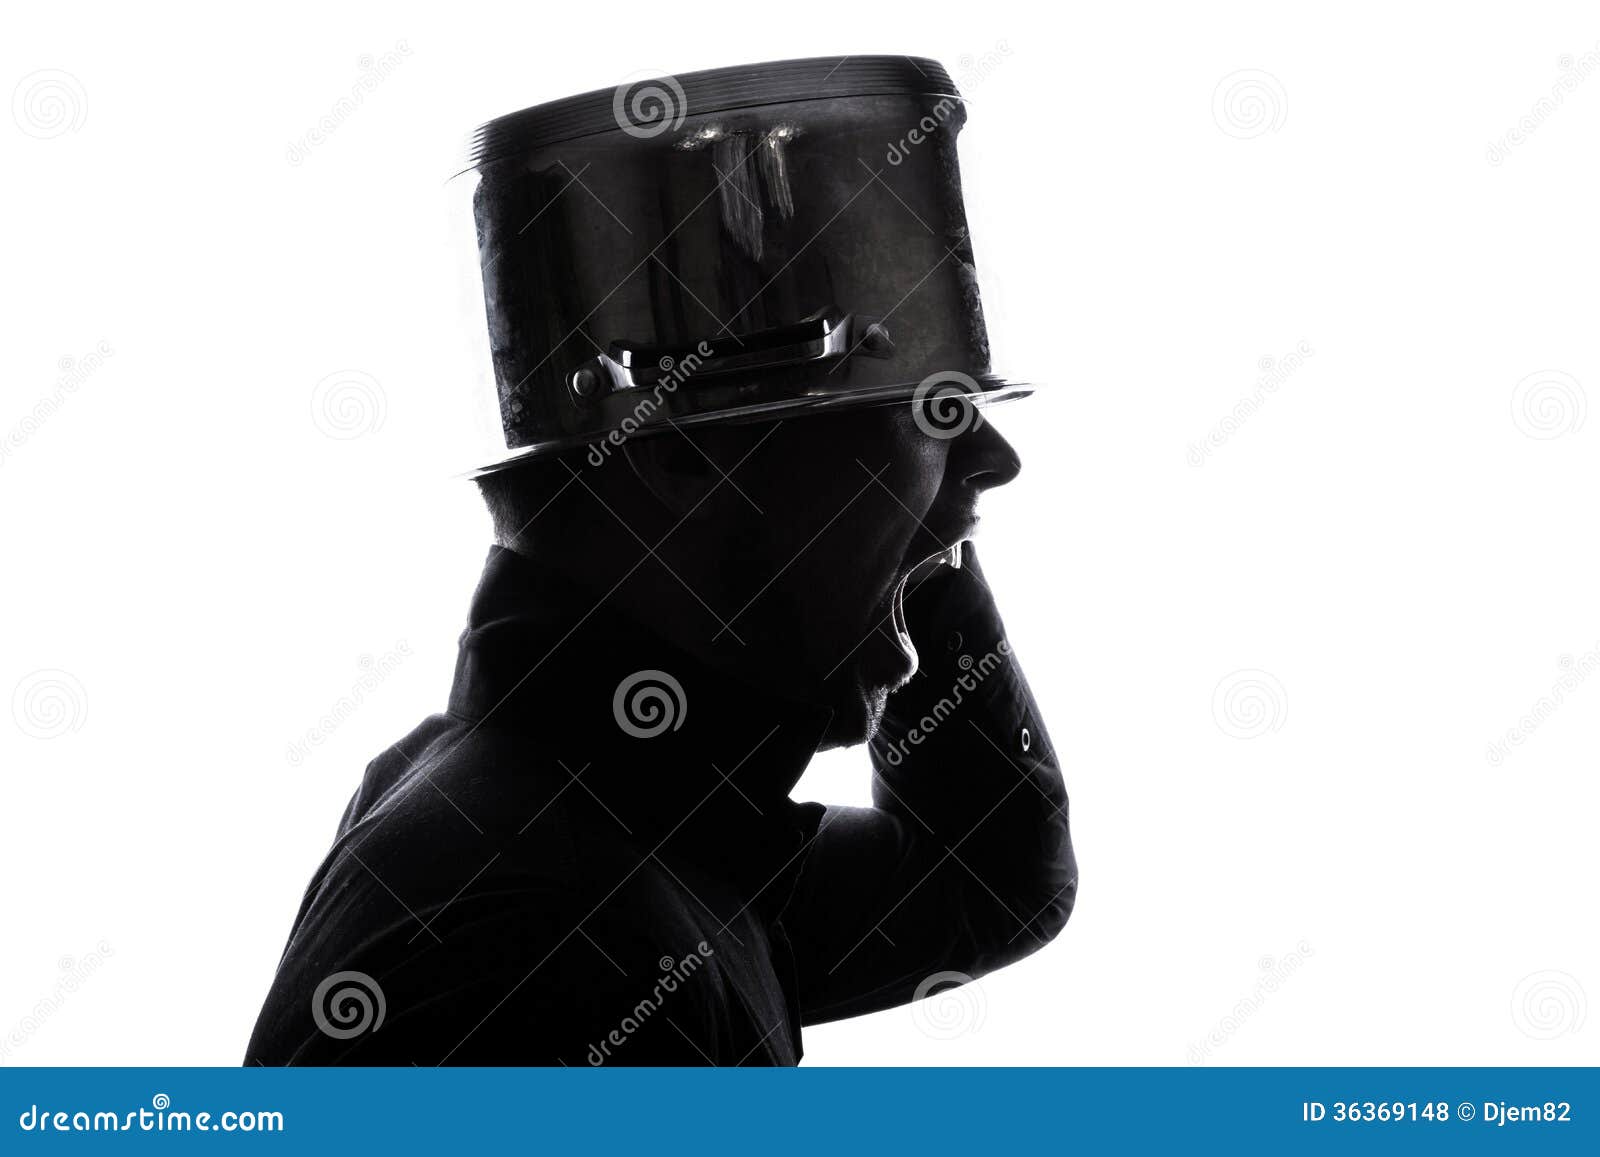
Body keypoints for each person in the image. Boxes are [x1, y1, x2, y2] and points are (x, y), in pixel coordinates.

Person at [245, 54, 1077, 1066]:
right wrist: (913, 507)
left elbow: (982, 877)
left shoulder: (610, 823)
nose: (999, 456)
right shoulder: (558, 943)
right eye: (933, 412)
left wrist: (920, 506)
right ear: (682, 451)